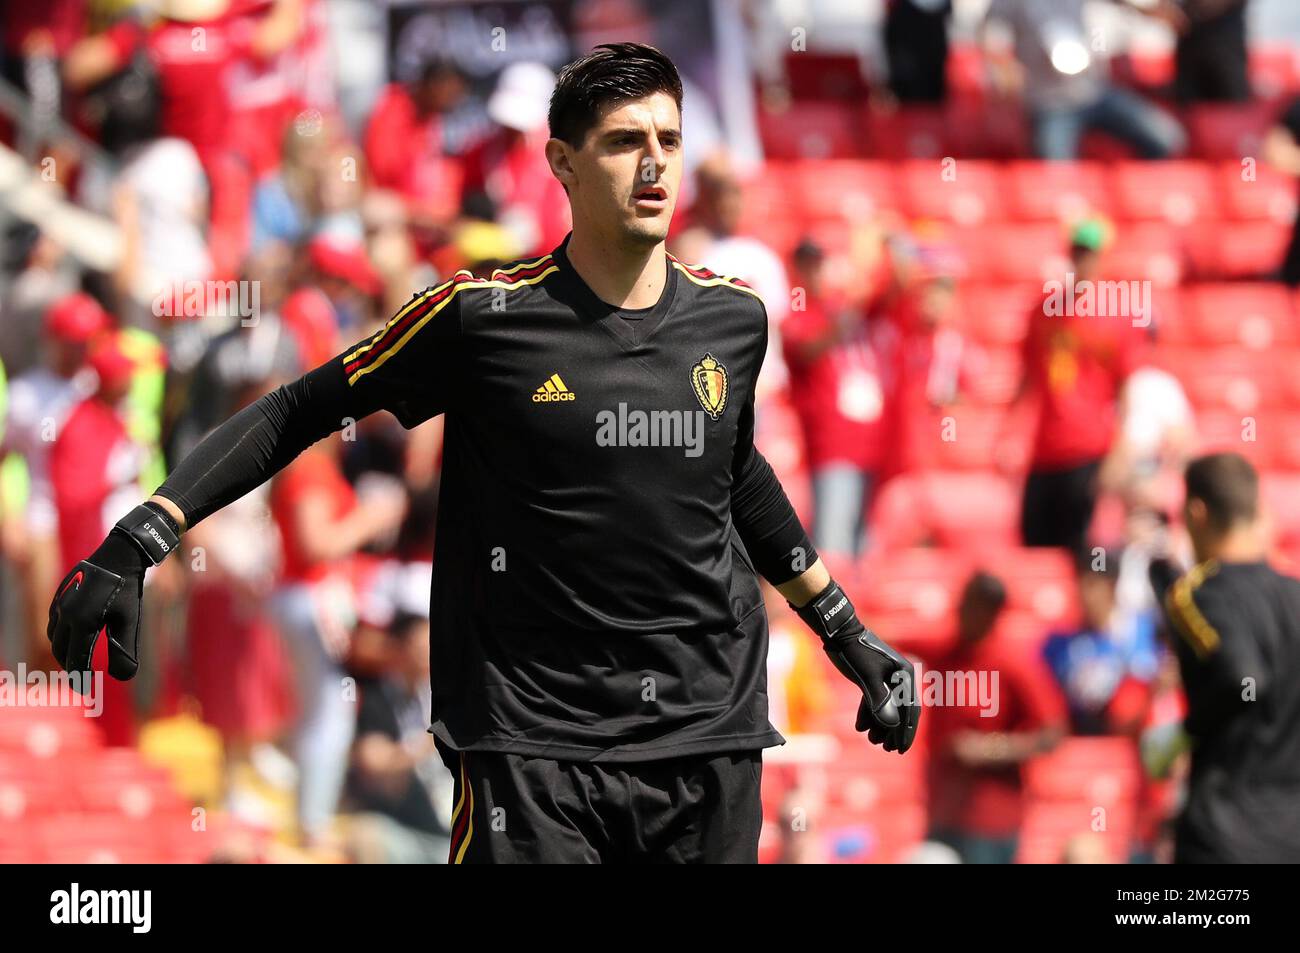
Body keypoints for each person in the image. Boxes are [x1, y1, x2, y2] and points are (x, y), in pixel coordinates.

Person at [47, 43, 919, 864]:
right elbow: (298, 408)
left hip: (708, 740)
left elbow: (733, 475)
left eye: (669, 139)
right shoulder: (480, 316)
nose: (654, 162)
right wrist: (144, 533)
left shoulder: (734, 317)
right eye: (623, 142)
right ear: (562, 165)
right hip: (530, 749)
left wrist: (846, 631)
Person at [1149, 452, 1300, 863]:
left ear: (1196, 512)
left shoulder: (1196, 594)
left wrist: (1181, 733)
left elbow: (1242, 679)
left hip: (1225, 832)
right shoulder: (1294, 595)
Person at [1008, 219, 1144, 552]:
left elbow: (1127, 391)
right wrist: (1008, 435)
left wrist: (1119, 451)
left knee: (1081, 554)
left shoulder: (1118, 317)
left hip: (1089, 452)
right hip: (1044, 451)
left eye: (1091, 253)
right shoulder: (1043, 312)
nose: (1084, 260)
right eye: (1079, 251)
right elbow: (1027, 380)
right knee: (1034, 546)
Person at [927, 572, 1066, 864]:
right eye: (967, 602)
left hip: (991, 819)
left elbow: (1053, 732)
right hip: (944, 810)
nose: (967, 611)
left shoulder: (1012, 661)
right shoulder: (944, 653)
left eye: (979, 605)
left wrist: (989, 748)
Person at [780, 239, 884, 558]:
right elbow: (807, 347)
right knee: (834, 547)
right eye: (807, 265)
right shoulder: (799, 314)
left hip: (873, 445)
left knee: (864, 548)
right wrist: (848, 313)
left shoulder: (838, 310)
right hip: (832, 446)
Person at [981, 0, 1186, 160]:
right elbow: (990, 30)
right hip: (1049, 102)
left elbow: (1121, 3)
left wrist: (1149, 13)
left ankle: (1135, 194)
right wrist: (1003, 68)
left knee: (1166, 138)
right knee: (1055, 171)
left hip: (1094, 92)